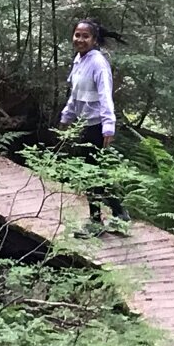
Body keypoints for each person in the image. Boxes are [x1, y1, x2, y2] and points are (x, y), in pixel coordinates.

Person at [59, 19, 122, 231]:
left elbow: (105, 95)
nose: (80, 39)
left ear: (94, 40)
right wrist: (66, 117)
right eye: (77, 35)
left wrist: (108, 126)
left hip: (96, 127)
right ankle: (120, 212)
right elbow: (76, 94)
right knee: (92, 173)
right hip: (84, 125)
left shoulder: (98, 63)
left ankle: (96, 222)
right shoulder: (79, 60)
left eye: (85, 36)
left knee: (90, 174)